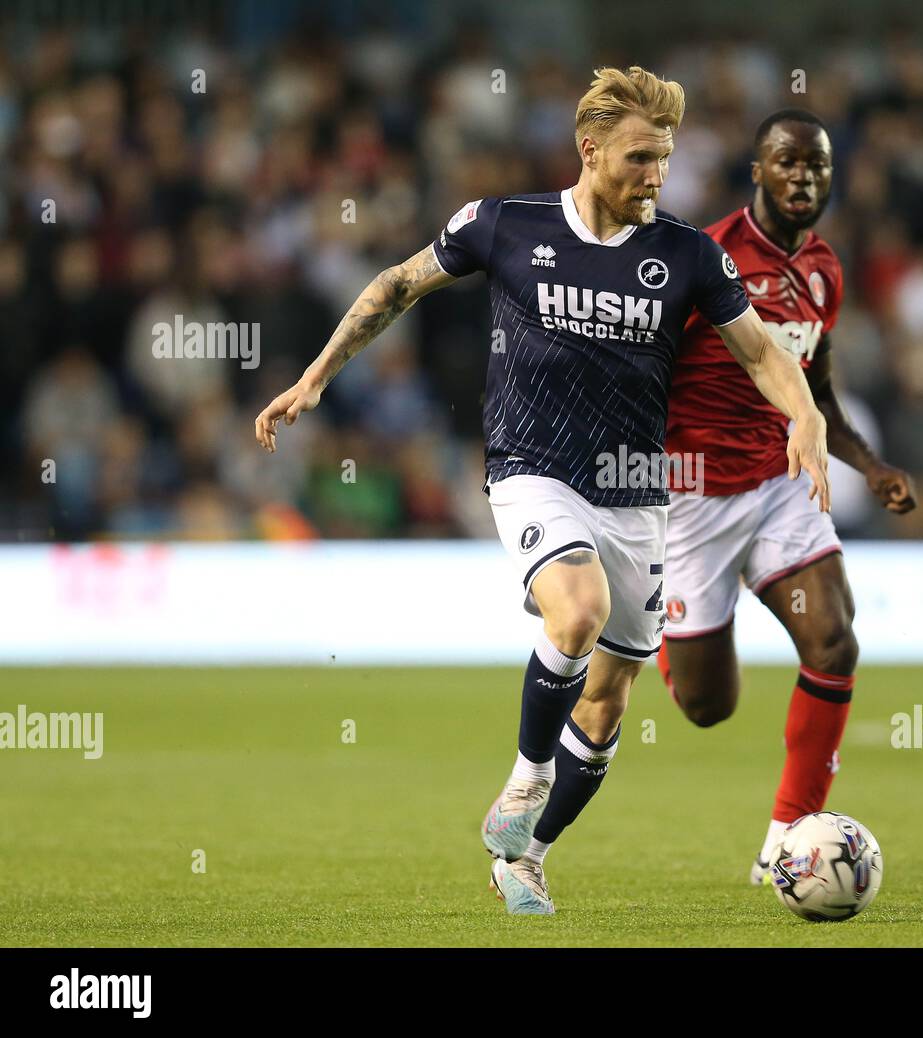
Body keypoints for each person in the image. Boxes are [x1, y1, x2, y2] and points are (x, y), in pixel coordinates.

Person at [253, 69, 831, 914]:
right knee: (577, 610)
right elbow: (396, 286)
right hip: (533, 469)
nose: (656, 176)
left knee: (608, 700)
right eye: (639, 158)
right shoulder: (504, 225)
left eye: (664, 160)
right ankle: (525, 781)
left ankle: (527, 853)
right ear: (590, 151)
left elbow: (762, 355)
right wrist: (316, 377)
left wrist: (805, 418)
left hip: (636, 490)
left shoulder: (687, 255)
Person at [659, 109, 916, 883]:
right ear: (758, 171)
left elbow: (819, 390)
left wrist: (870, 467)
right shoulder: (706, 258)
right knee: (709, 707)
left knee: (835, 637)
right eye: (788, 162)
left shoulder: (826, 271)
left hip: (779, 480)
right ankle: (665, 630)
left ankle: (788, 835)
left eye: (818, 165)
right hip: (693, 496)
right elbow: (645, 366)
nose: (804, 177)